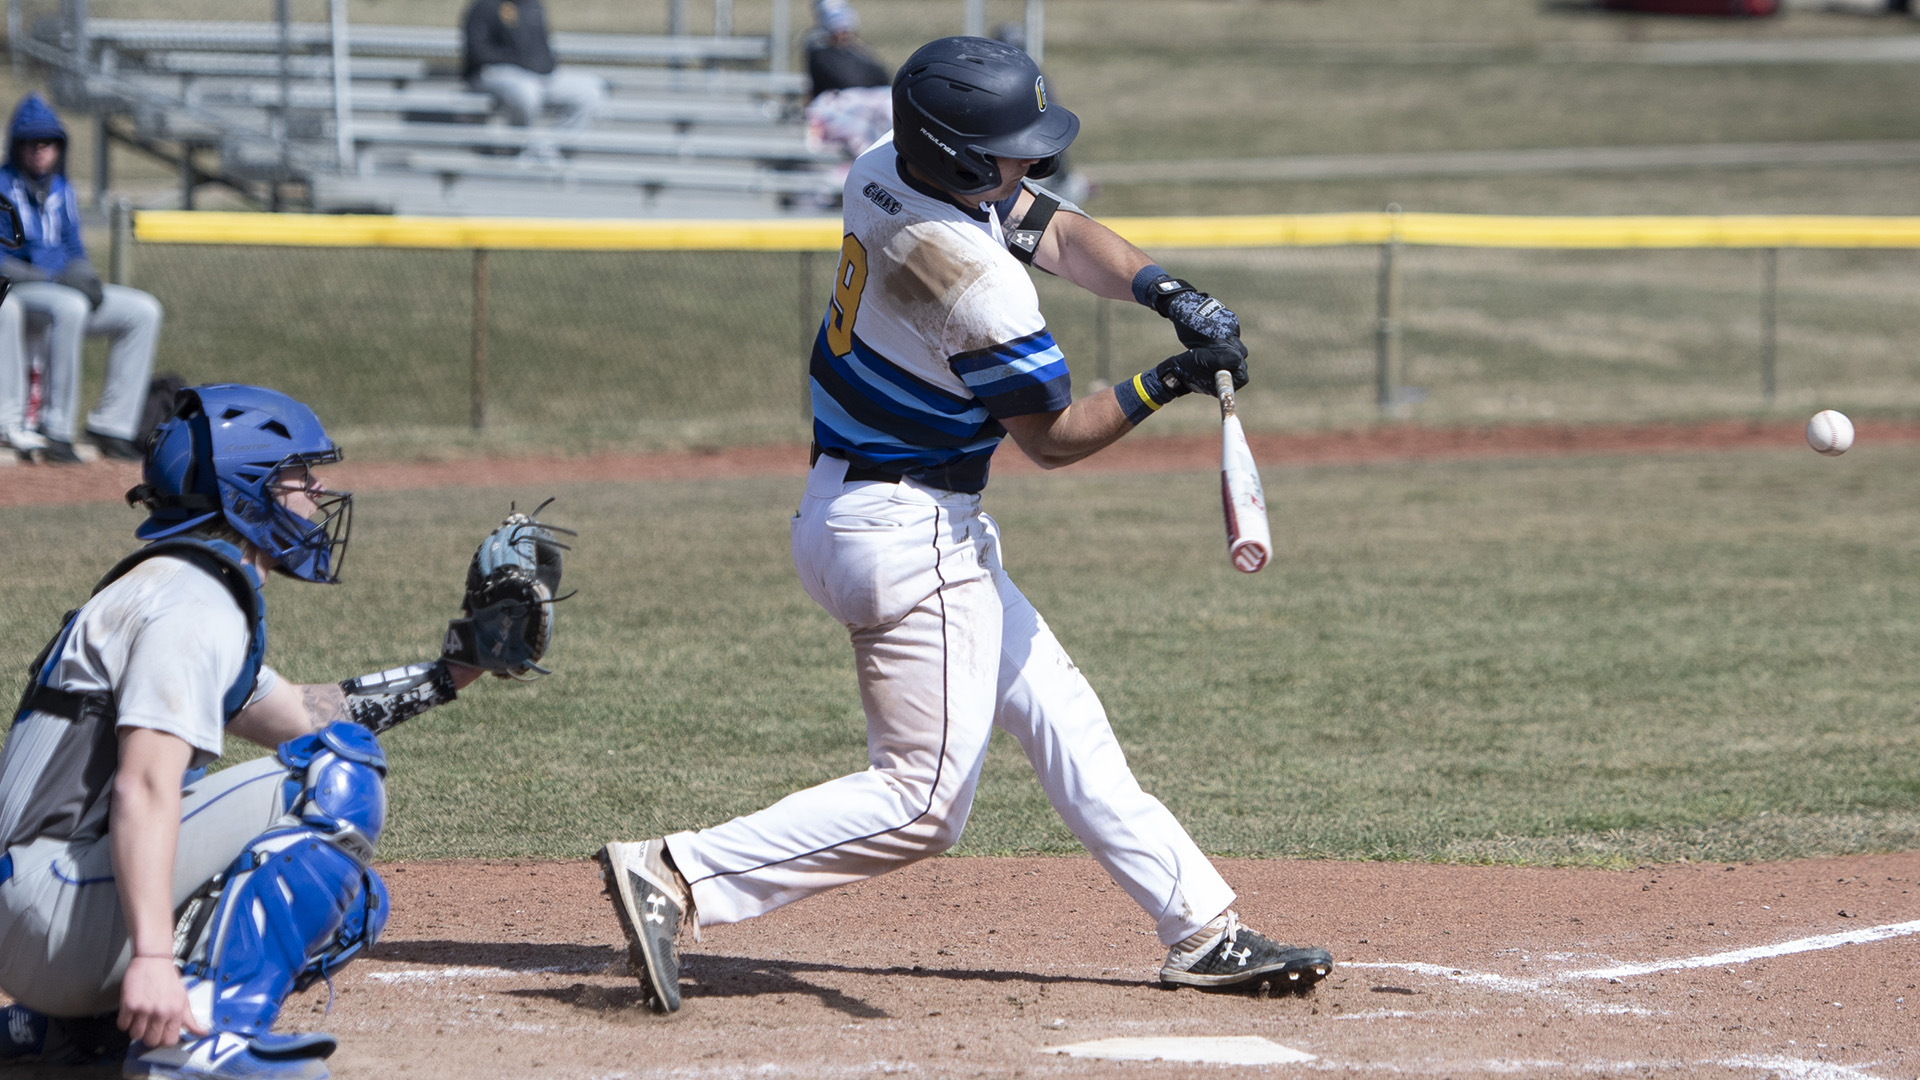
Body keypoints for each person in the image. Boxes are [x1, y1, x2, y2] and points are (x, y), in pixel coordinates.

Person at [599, 36, 1333, 1015]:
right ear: (957, 157)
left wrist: (1168, 292)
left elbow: (1057, 228)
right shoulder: (977, 286)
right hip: (907, 536)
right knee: (922, 803)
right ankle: (678, 873)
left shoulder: (879, 172)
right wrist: (1171, 380)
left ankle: (1200, 928)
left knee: (1064, 721)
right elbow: (1055, 439)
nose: (1028, 166)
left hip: (868, 508)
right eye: (1009, 150)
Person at [0, 384, 558, 1077]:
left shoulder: (178, 585)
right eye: (298, 473)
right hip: (50, 909)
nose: (317, 489)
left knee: (349, 900)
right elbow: (144, 786)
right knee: (338, 774)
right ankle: (198, 1044)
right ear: (249, 487)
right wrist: (148, 957)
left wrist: (457, 668)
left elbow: (300, 714)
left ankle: (73, 1039)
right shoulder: (192, 602)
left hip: (43, 911)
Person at [0, 93, 162, 465]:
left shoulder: (62, 190)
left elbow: (75, 252)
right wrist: (55, 278)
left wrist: (85, 276)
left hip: (57, 288)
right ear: (17, 145)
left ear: (60, 147)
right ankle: (56, 430)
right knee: (69, 306)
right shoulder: (3, 187)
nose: (40, 151)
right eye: (31, 143)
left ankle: (112, 425)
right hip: (21, 289)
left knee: (142, 310)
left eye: (49, 143)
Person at [460, 0, 607, 144]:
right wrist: (520, 63)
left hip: (538, 76)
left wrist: (543, 67)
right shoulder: (484, 6)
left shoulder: (533, 6)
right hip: (498, 74)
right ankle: (520, 146)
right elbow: (478, 53)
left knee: (590, 91)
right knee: (526, 92)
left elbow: (544, 51)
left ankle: (549, 148)